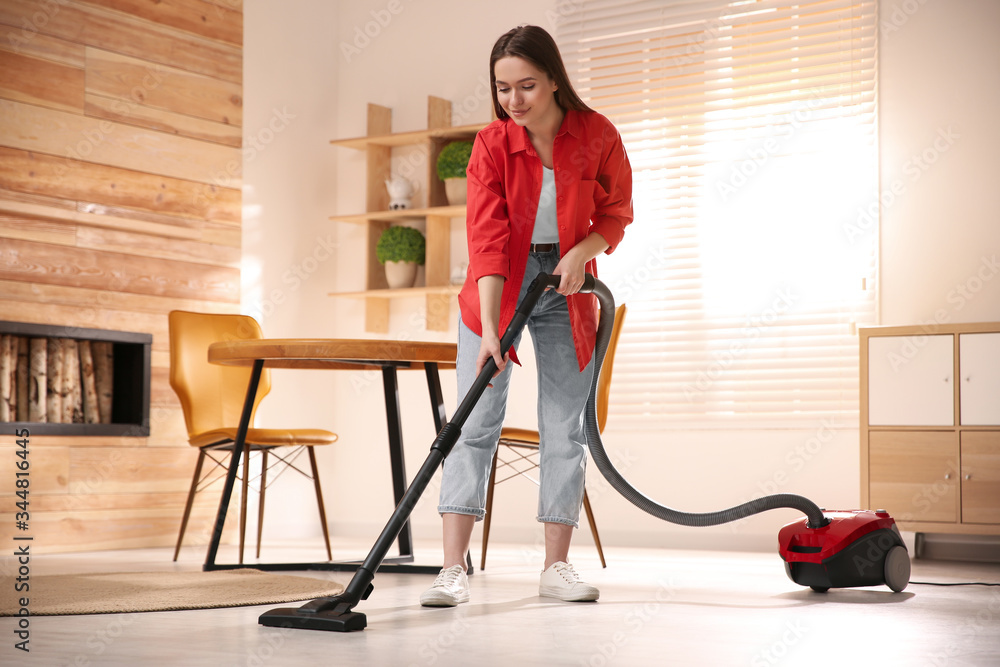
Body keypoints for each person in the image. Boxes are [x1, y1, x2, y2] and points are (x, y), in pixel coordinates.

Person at [420, 24, 632, 607]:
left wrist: (579, 257)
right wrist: (490, 329)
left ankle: (555, 567)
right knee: (474, 422)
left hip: (566, 284)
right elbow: (486, 240)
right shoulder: (491, 144)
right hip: (498, 284)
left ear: (555, 79)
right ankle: (452, 568)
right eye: (503, 89)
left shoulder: (597, 135)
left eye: (527, 87)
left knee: (564, 423)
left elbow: (615, 214)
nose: (514, 101)